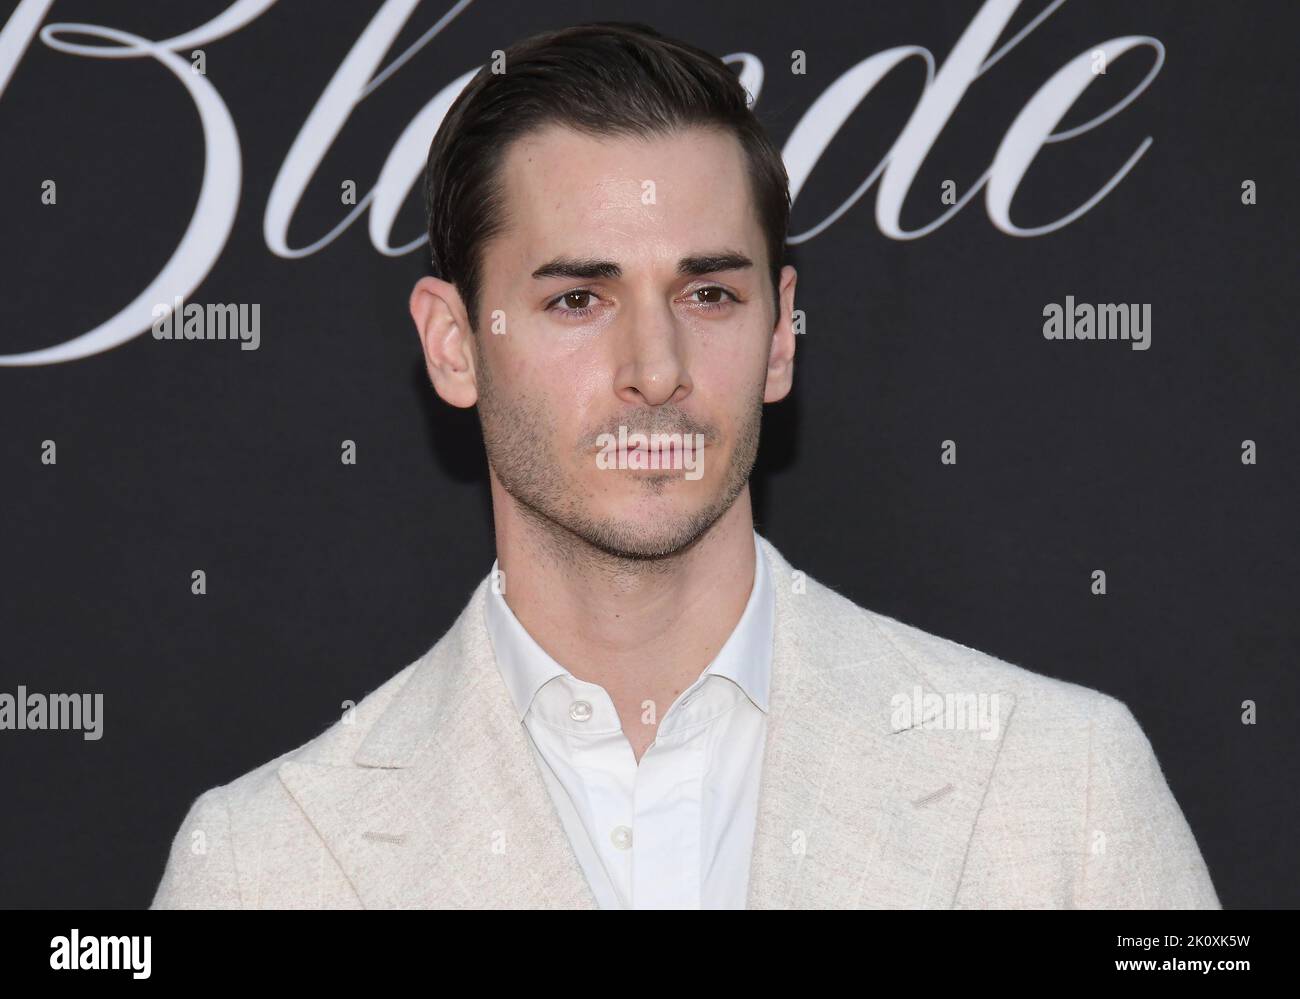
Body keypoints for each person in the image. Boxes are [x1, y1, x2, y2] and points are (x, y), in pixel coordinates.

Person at [150, 21, 1219, 909]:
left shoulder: (1063, 787)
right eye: (578, 299)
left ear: (782, 331)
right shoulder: (262, 867)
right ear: (454, 343)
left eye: (708, 293)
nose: (654, 370)